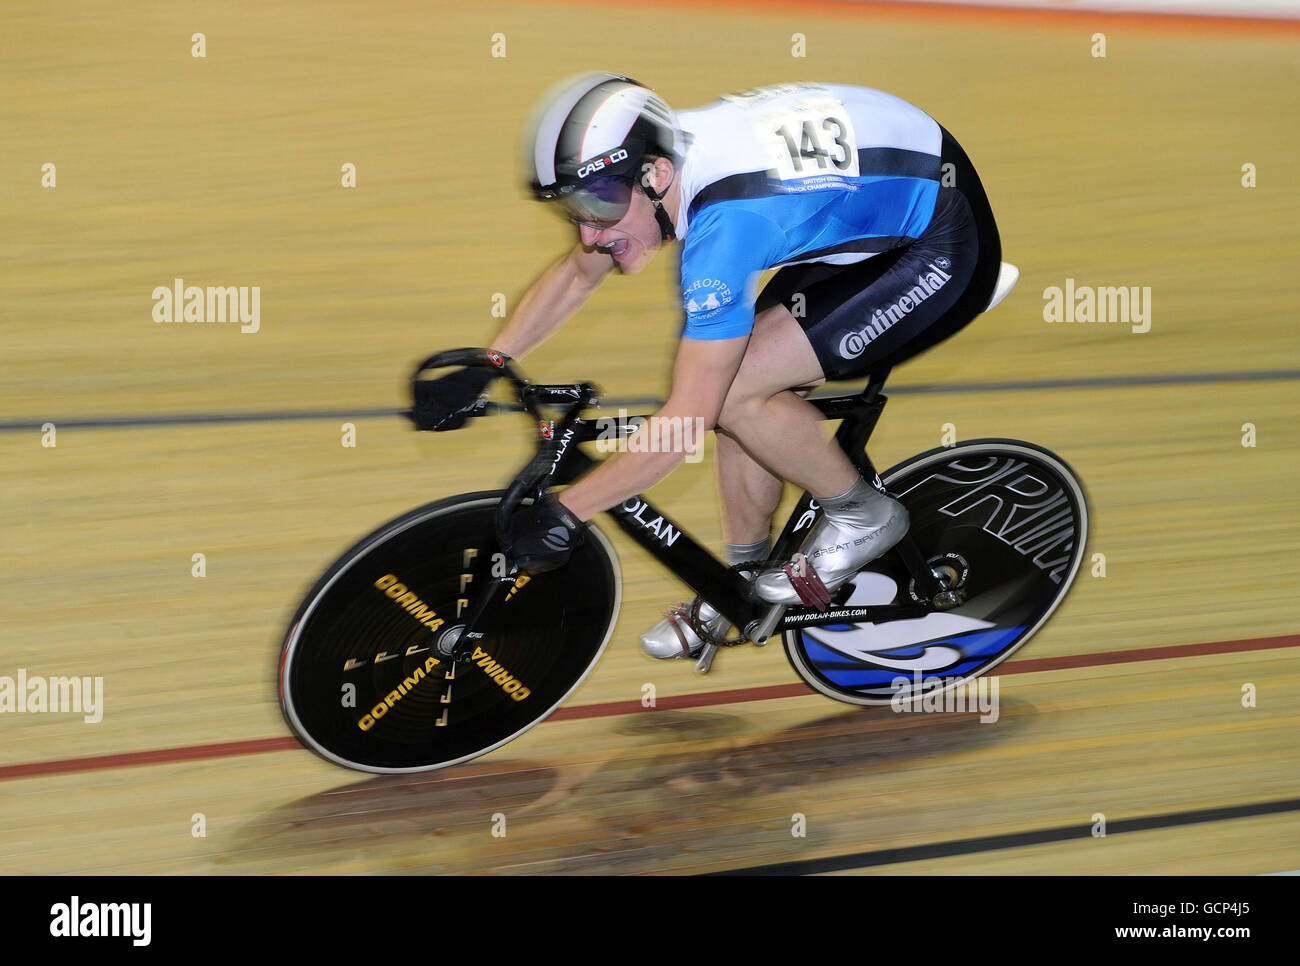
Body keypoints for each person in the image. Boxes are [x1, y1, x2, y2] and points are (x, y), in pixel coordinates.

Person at [411, 73, 1002, 659]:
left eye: (600, 204)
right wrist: (491, 360)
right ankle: (740, 584)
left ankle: (864, 513)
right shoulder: (654, 168)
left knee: (728, 393)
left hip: (942, 239)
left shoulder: (724, 230)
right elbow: (575, 274)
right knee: (732, 385)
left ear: (657, 175)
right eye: (575, 208)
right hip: (863, 210)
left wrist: (569, 511)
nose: (590, 232)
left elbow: (686, 421)